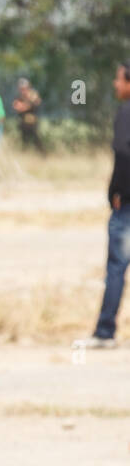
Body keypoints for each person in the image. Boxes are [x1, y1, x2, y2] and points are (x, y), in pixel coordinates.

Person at [75, 60, 130, 350]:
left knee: (116, 267)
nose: (115, 84)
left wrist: (117, 191)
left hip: (127, 206)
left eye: (118, 79)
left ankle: (105, 331)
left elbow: (122, 150)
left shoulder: (126, 111)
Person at [12, 78, 45, 154]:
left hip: (33, 123)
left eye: (25, 88)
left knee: (36, 140)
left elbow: (38, 102)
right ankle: (25, 155)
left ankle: (42, 156)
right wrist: (29, 103)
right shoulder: (18, 97)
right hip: (23, 123)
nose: (23, 91)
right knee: (24, 141)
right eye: (22, 89)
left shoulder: (32, 95)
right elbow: (18, 107)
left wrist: (27, 103)